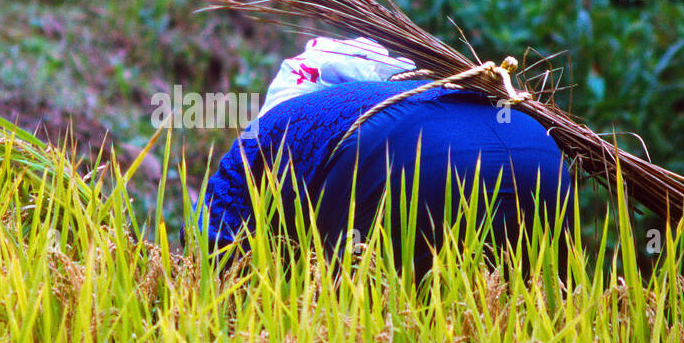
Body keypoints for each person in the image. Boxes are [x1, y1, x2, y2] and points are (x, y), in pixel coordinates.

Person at [195, 41, 572, 277]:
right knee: (516, 322)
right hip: (538, 150)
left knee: (366, 337)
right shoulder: (433, 89)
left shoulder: (270, 129)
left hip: (414, 157)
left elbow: (210, 248)